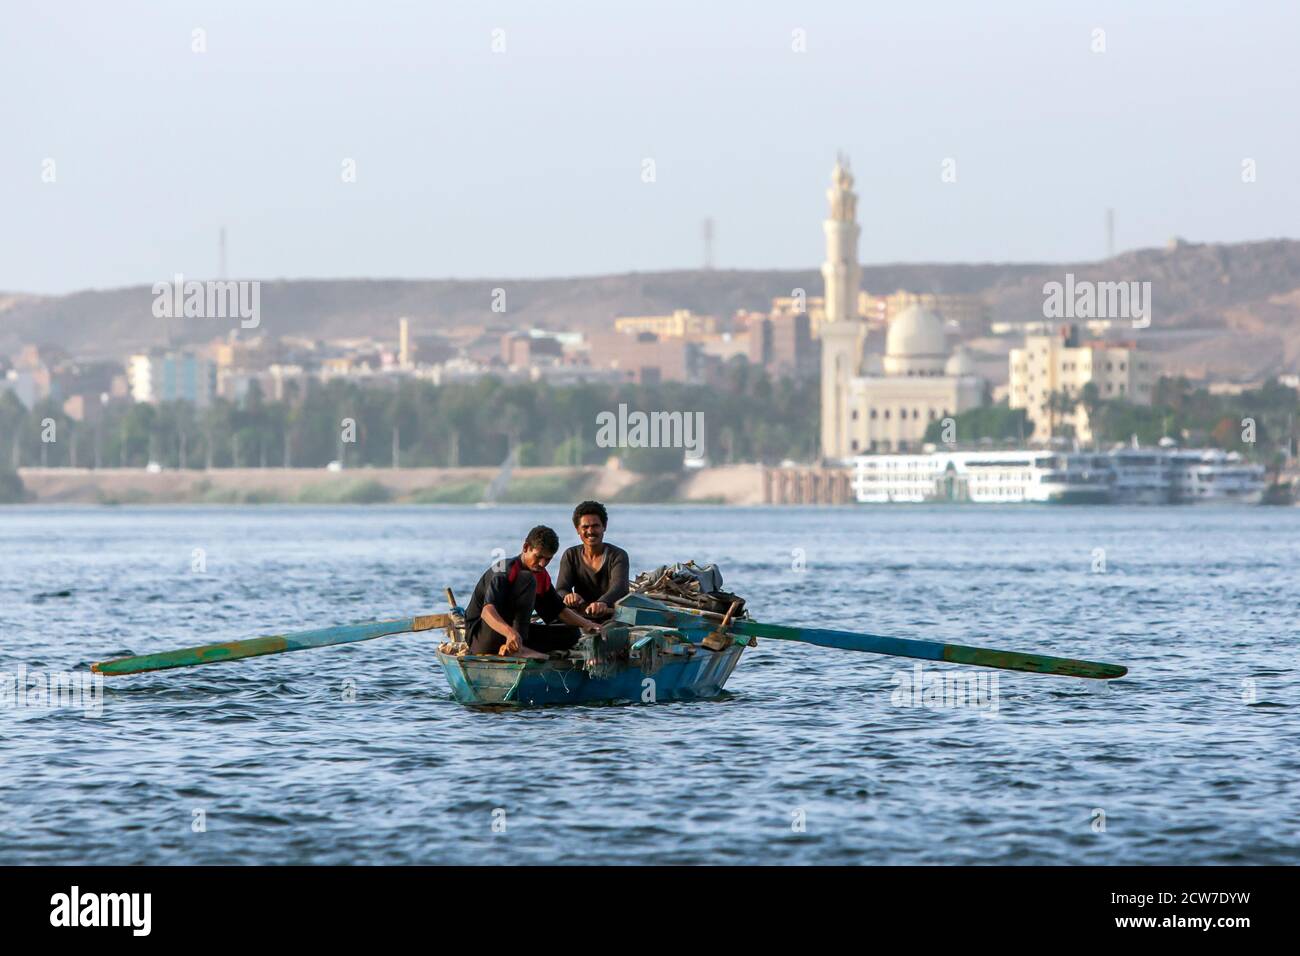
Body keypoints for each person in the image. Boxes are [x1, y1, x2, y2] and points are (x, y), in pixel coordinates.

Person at [464, 525, 599, 659]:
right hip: (481, 638)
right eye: (539, 557)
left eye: (548, 559)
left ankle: (512, 647)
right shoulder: (503, 569)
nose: (542, 563)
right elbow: (487, 612)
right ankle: (518, 650)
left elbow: (559, 611)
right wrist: (510, 633)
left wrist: (587, 624)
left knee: (572, 634)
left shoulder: (541, 574)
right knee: (527, 578)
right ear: (526, 548)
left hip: (514, 637)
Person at [555, 501, 629, 622]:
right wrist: (568, 596)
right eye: (585, 527)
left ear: (604, 527)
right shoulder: (570, 555)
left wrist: (602, 602)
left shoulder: (618, 555)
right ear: (577, 530)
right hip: (580, 617)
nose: (590, 531)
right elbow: (561, 589)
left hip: (612, 617)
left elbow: (619, 588)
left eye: (595, 526)